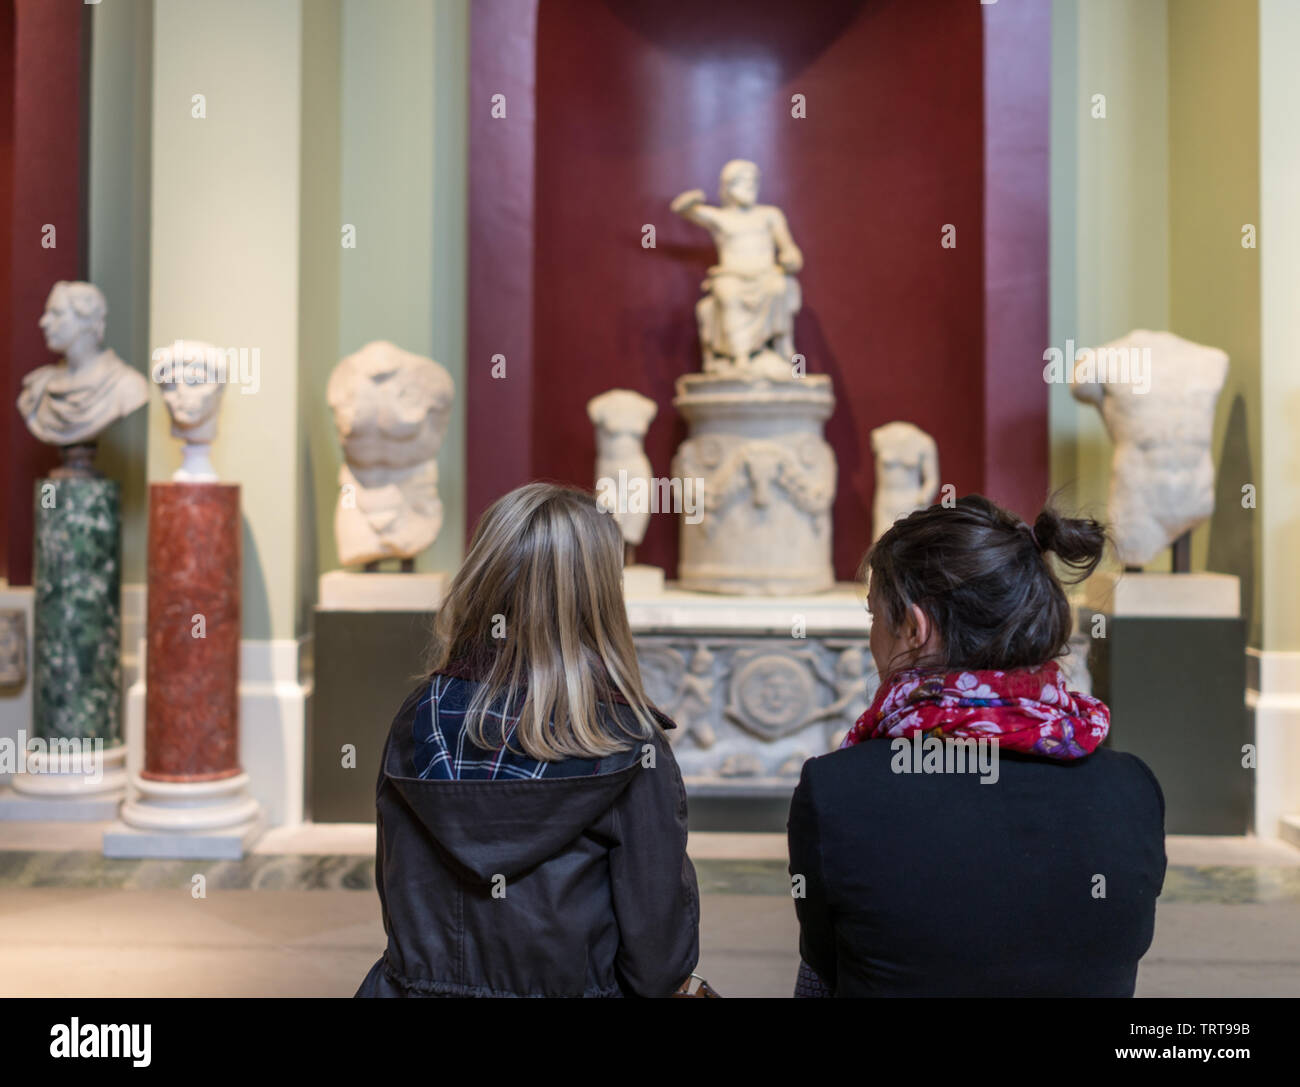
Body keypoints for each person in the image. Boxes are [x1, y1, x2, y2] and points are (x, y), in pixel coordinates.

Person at [788, 494, 1167, 997]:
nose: (872, 637)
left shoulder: (837, 791)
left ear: (915, 629)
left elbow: (824, 970)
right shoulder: (1133, 789)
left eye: (874, 615)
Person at [356, 482, 699, 998]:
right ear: (600, 601)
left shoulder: (418, 716)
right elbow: (659, 964)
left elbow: (396, 892)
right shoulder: (628, 743)